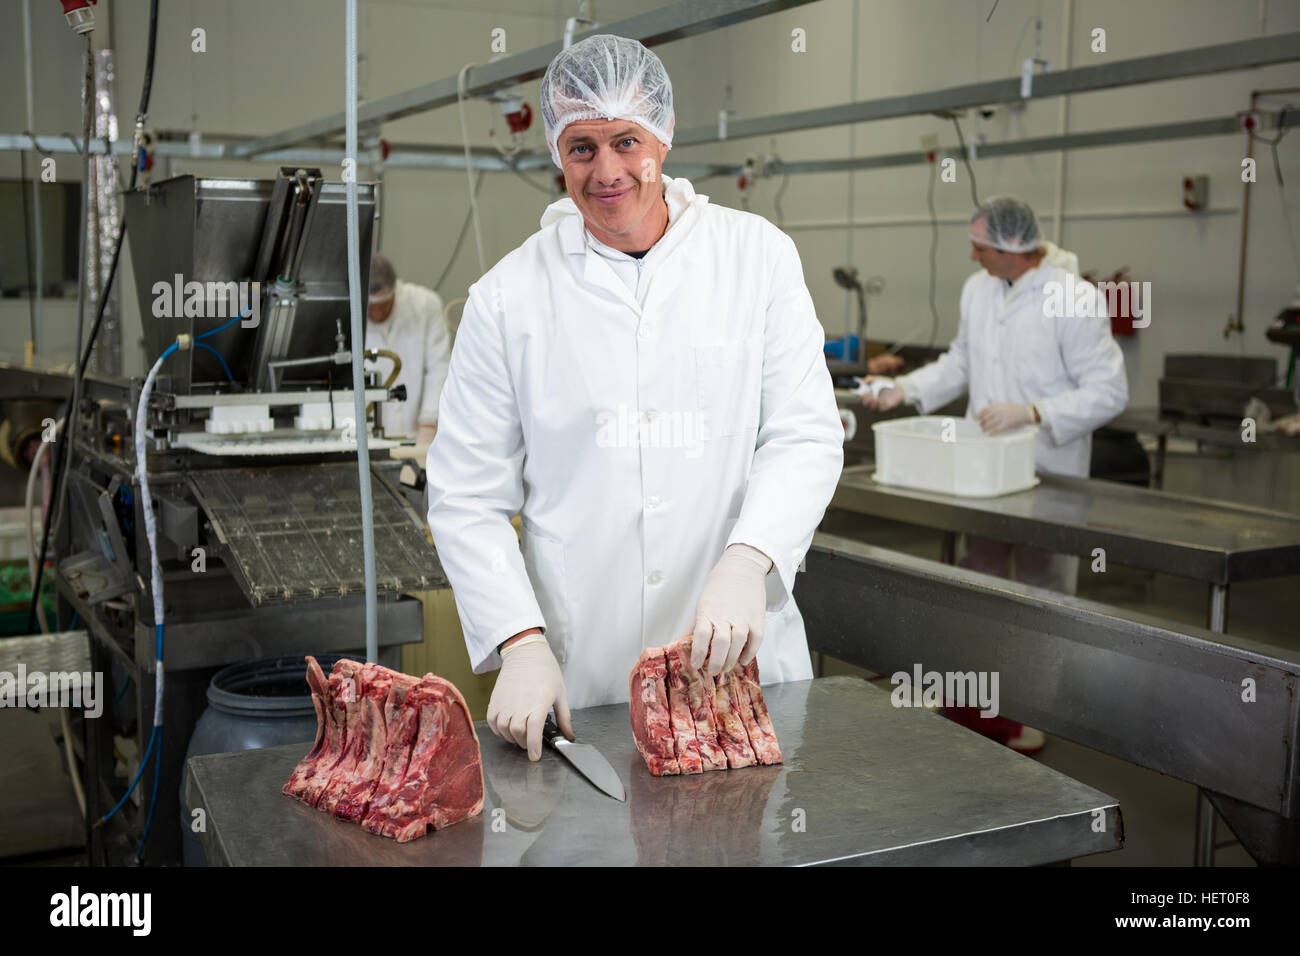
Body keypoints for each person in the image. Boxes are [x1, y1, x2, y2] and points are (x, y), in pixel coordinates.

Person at [426, 34, 844, 760]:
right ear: (557, 154)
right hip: (587, 679)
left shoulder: (756, 258)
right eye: (582, 148)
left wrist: (750, 561)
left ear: (664, 135)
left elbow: (804, 435)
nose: (607, 170)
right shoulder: (506, 300)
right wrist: (520, 643)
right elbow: (465, 495)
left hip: (742, 671)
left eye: (626, 141)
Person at [861, 196, 1128, 752]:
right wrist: (907, 389)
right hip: (981, 468)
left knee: (1040, 588)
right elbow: (962, 361)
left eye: (980, 247)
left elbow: (1109, 391)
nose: (973, 255)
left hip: (1046, 470)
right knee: (979, 578)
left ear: (1010, 249)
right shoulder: (979, 289)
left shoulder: (1072, 299)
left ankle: (1040, 710)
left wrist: (1035, 413)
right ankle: (976, 699)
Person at [365, 254, 451, 454]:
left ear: (394, 289)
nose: (377, 315)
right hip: (365, 436)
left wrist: (429, 423)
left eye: (384, 308)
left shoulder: (425, 305)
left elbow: (439, 367)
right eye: (370, 311)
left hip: (417, 432)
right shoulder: (348, 313)